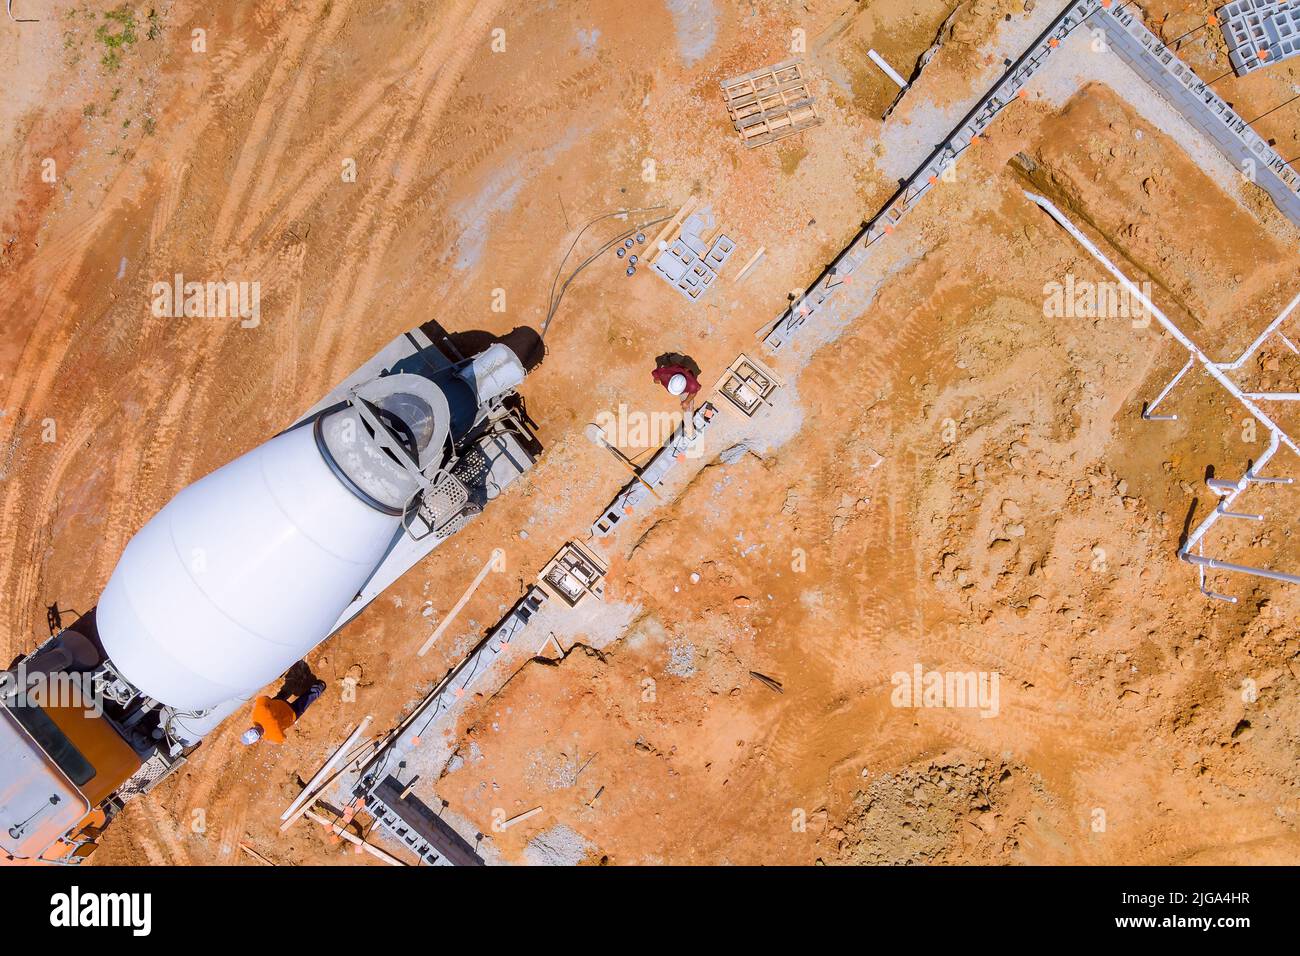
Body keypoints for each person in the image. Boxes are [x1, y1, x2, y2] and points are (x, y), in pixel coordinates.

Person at [241, 678, 327, 745]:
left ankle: (319, 688)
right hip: (280, 703)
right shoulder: (256, 715)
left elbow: (282, 739)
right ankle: (297, 681)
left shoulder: (272, 734)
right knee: (278, 697)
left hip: (291, 714)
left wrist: (268, 739)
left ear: (259, 738)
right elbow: (265, 698)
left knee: (304, 702)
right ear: (250, 728)